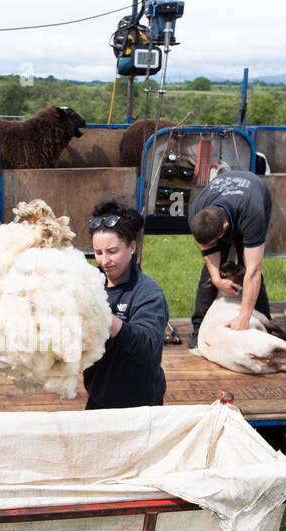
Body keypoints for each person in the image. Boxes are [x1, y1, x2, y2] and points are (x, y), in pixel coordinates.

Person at [82, 200, 168, 411]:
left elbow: (146, 345)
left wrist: (106, 319)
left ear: (132, 247)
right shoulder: (90, 285)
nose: (104, 261)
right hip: (98, 397)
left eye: (112, 251)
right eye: (98, 252)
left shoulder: (149, 293)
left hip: (140, 405)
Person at [187, 169, 272, 346]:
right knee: (209, 274)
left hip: (253, 197)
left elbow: (254, 271)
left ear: (225, 227)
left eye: (215, 240)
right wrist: (217, 279)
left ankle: (266, 324)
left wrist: (244, 316)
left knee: (247, 269)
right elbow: (206, 248)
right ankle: (198, 328)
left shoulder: (253, 215)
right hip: (224, 207)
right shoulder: (197, 212)